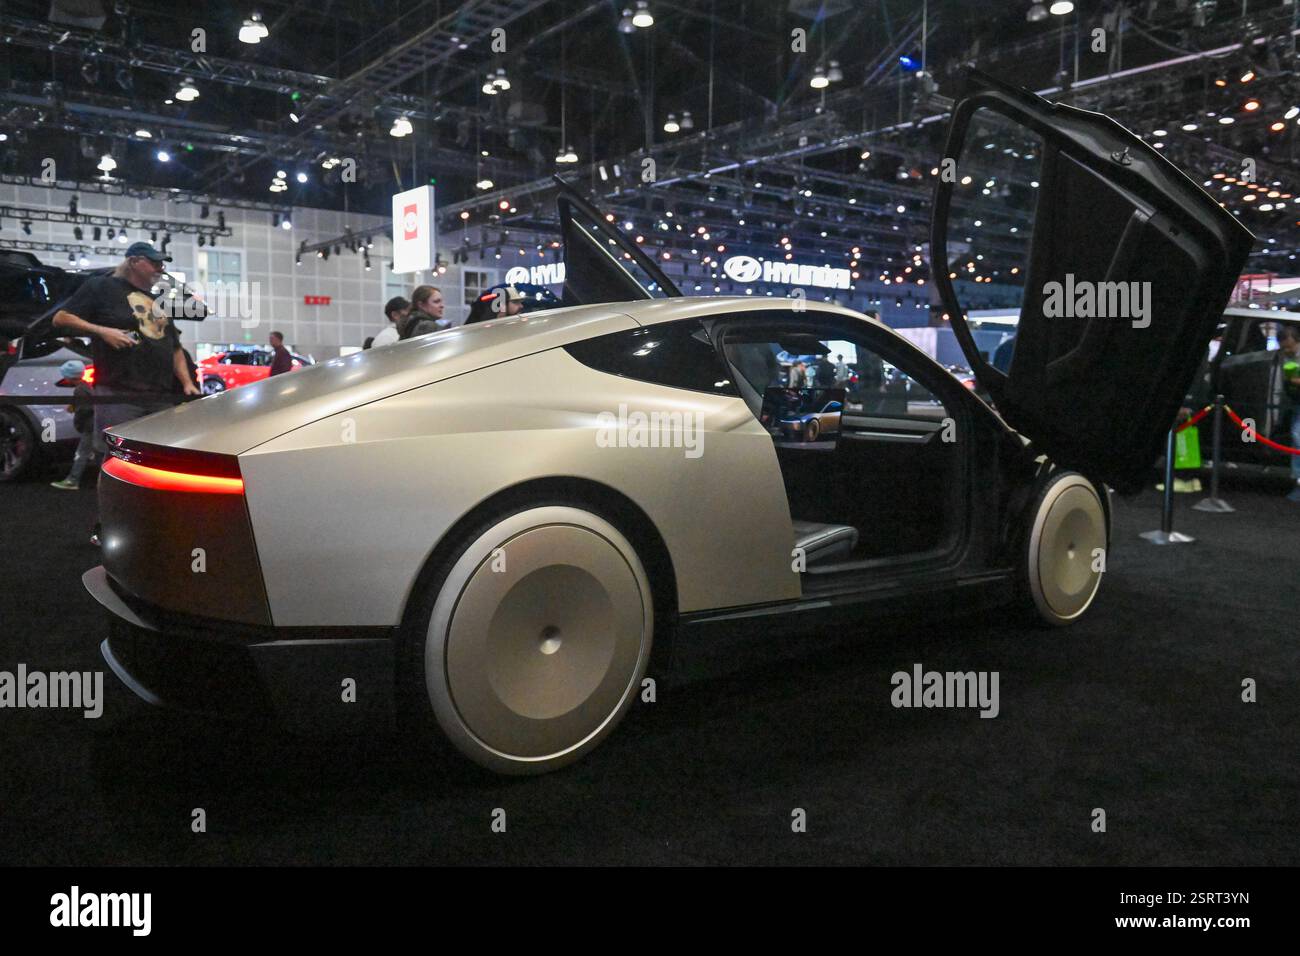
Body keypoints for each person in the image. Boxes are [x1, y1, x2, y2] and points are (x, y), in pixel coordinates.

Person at [51, 242, 199, 543]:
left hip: (158, 397)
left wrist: (186, 383)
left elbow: (174, 348)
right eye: (155, 263)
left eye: (162, 264)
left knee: (156, 465)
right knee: (116, 463)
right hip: (118, 392)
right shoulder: (102, 287)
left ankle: (148, 525)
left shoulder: (157, 301)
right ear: (135, 261)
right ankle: (106, 526)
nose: (160, 269)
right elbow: (61, 319)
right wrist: (103, 331)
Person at [49, 359, 96, 491]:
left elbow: (84, 410)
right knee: (91, 452)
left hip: (89, 425)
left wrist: (76, 410)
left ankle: (72, 480)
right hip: (95, 424)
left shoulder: (79, 390)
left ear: (69, 377)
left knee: (81, 454)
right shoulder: (87, 386)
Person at [1279, 324, 1300, 502]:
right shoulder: (1288, 357)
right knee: (1296, 440)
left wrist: (1295, 380)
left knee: (1298, 440)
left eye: (1288, 345)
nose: (1286, 349)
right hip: (1296, 403)